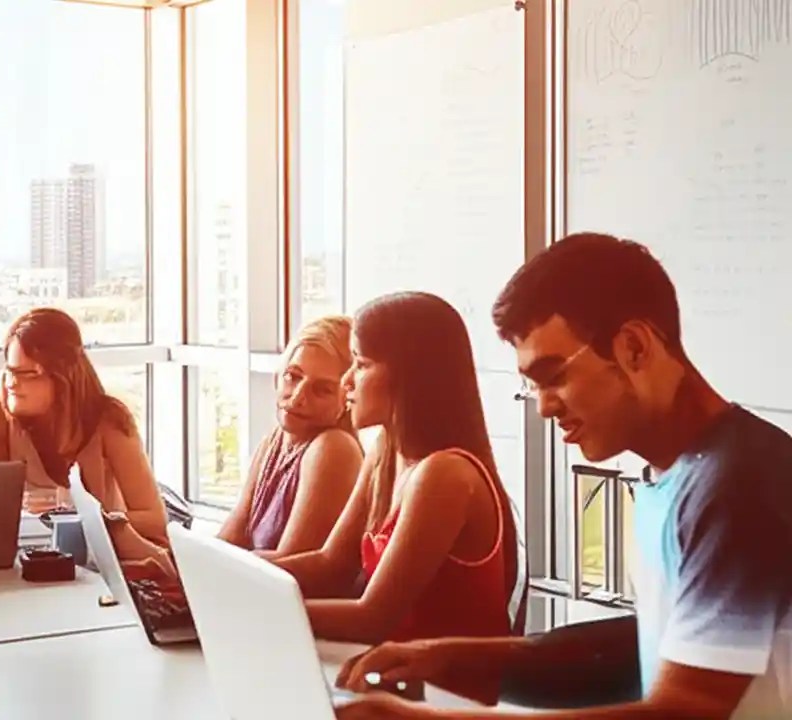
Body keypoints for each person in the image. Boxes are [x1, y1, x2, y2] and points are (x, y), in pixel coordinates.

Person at [334, 233, 792, 719]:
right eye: (532, 386)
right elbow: (646, 643)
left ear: (634, 348)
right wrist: (447, 654)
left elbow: (688, 709)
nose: (546, 406)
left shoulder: (738, 486)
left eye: (554, 376)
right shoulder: (680, 474)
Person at [273, 293, 524, 702]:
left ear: (412, 377)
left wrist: (252, 608)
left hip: (446, 703)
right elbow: (330, 564)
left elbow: (373, 617)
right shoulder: (385, 454)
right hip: (391, 685)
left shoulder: (443, 474)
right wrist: (215, 578)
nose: (346, 381)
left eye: (362, 364)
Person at [0, 307, 171, 567]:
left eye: (27, 373)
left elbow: (155, 518)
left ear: (63, 374)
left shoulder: (109, 420)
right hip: (25, 565)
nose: (11, 382)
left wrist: (77, 517)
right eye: (9, 370)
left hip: (101, 566)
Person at [217, 316, 362, 558]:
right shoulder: (276, 439)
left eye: (322, 389)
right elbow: (231, 538)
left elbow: (291, 564)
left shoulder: (334, 447)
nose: (296, 398)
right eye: (292, 377)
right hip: (253, 588)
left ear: (347, 397)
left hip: (297, 595)